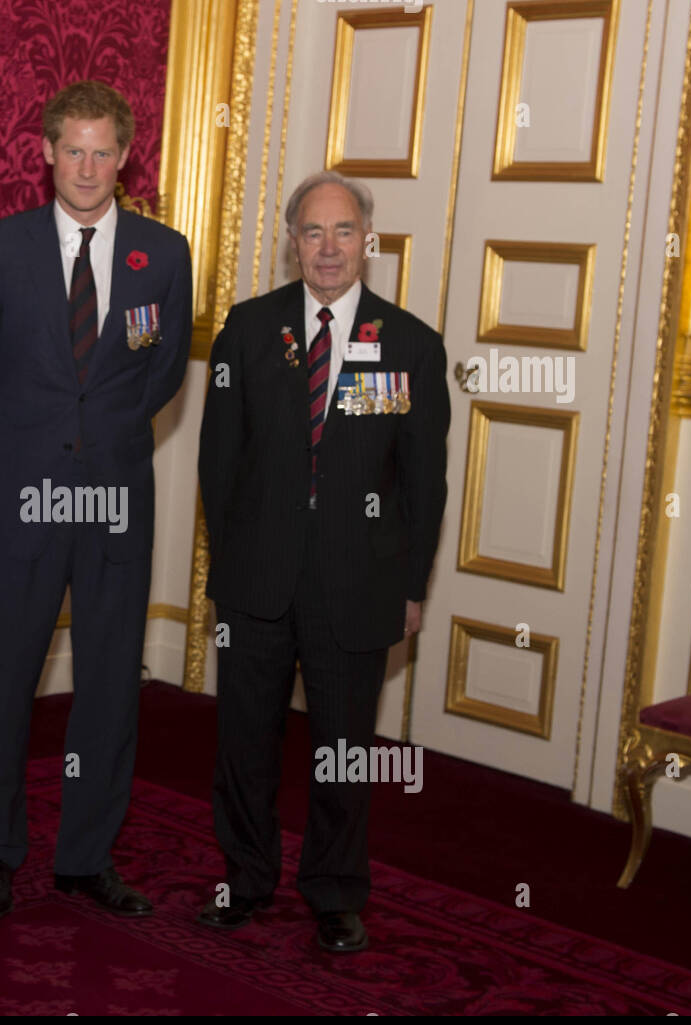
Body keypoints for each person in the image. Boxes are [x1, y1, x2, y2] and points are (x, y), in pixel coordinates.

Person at [0, 80, 192, 919]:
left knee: (107, 686)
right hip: (23, 494)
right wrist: (42, 436)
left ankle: (86, 855)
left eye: (104, 151)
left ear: (124, 156)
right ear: (47, 152)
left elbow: (161, 375)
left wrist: (102, 438)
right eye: (73, 149)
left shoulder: (163, 254)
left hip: (116, 500)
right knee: (10, 681)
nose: (88, 166)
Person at [196, 171, 449, 952]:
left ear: (366, 241)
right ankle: (244, 878)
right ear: (292, 242)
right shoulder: (247, 329)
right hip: (257, 581)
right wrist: (227, 571)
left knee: (344, 746)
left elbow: (422, 485)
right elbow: (218, 465)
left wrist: (410, 590)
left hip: (358, 581)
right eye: (313, 232)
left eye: (344, 232)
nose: (329, 248)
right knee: (245, 740)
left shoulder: (409, 343)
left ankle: (336, 890)